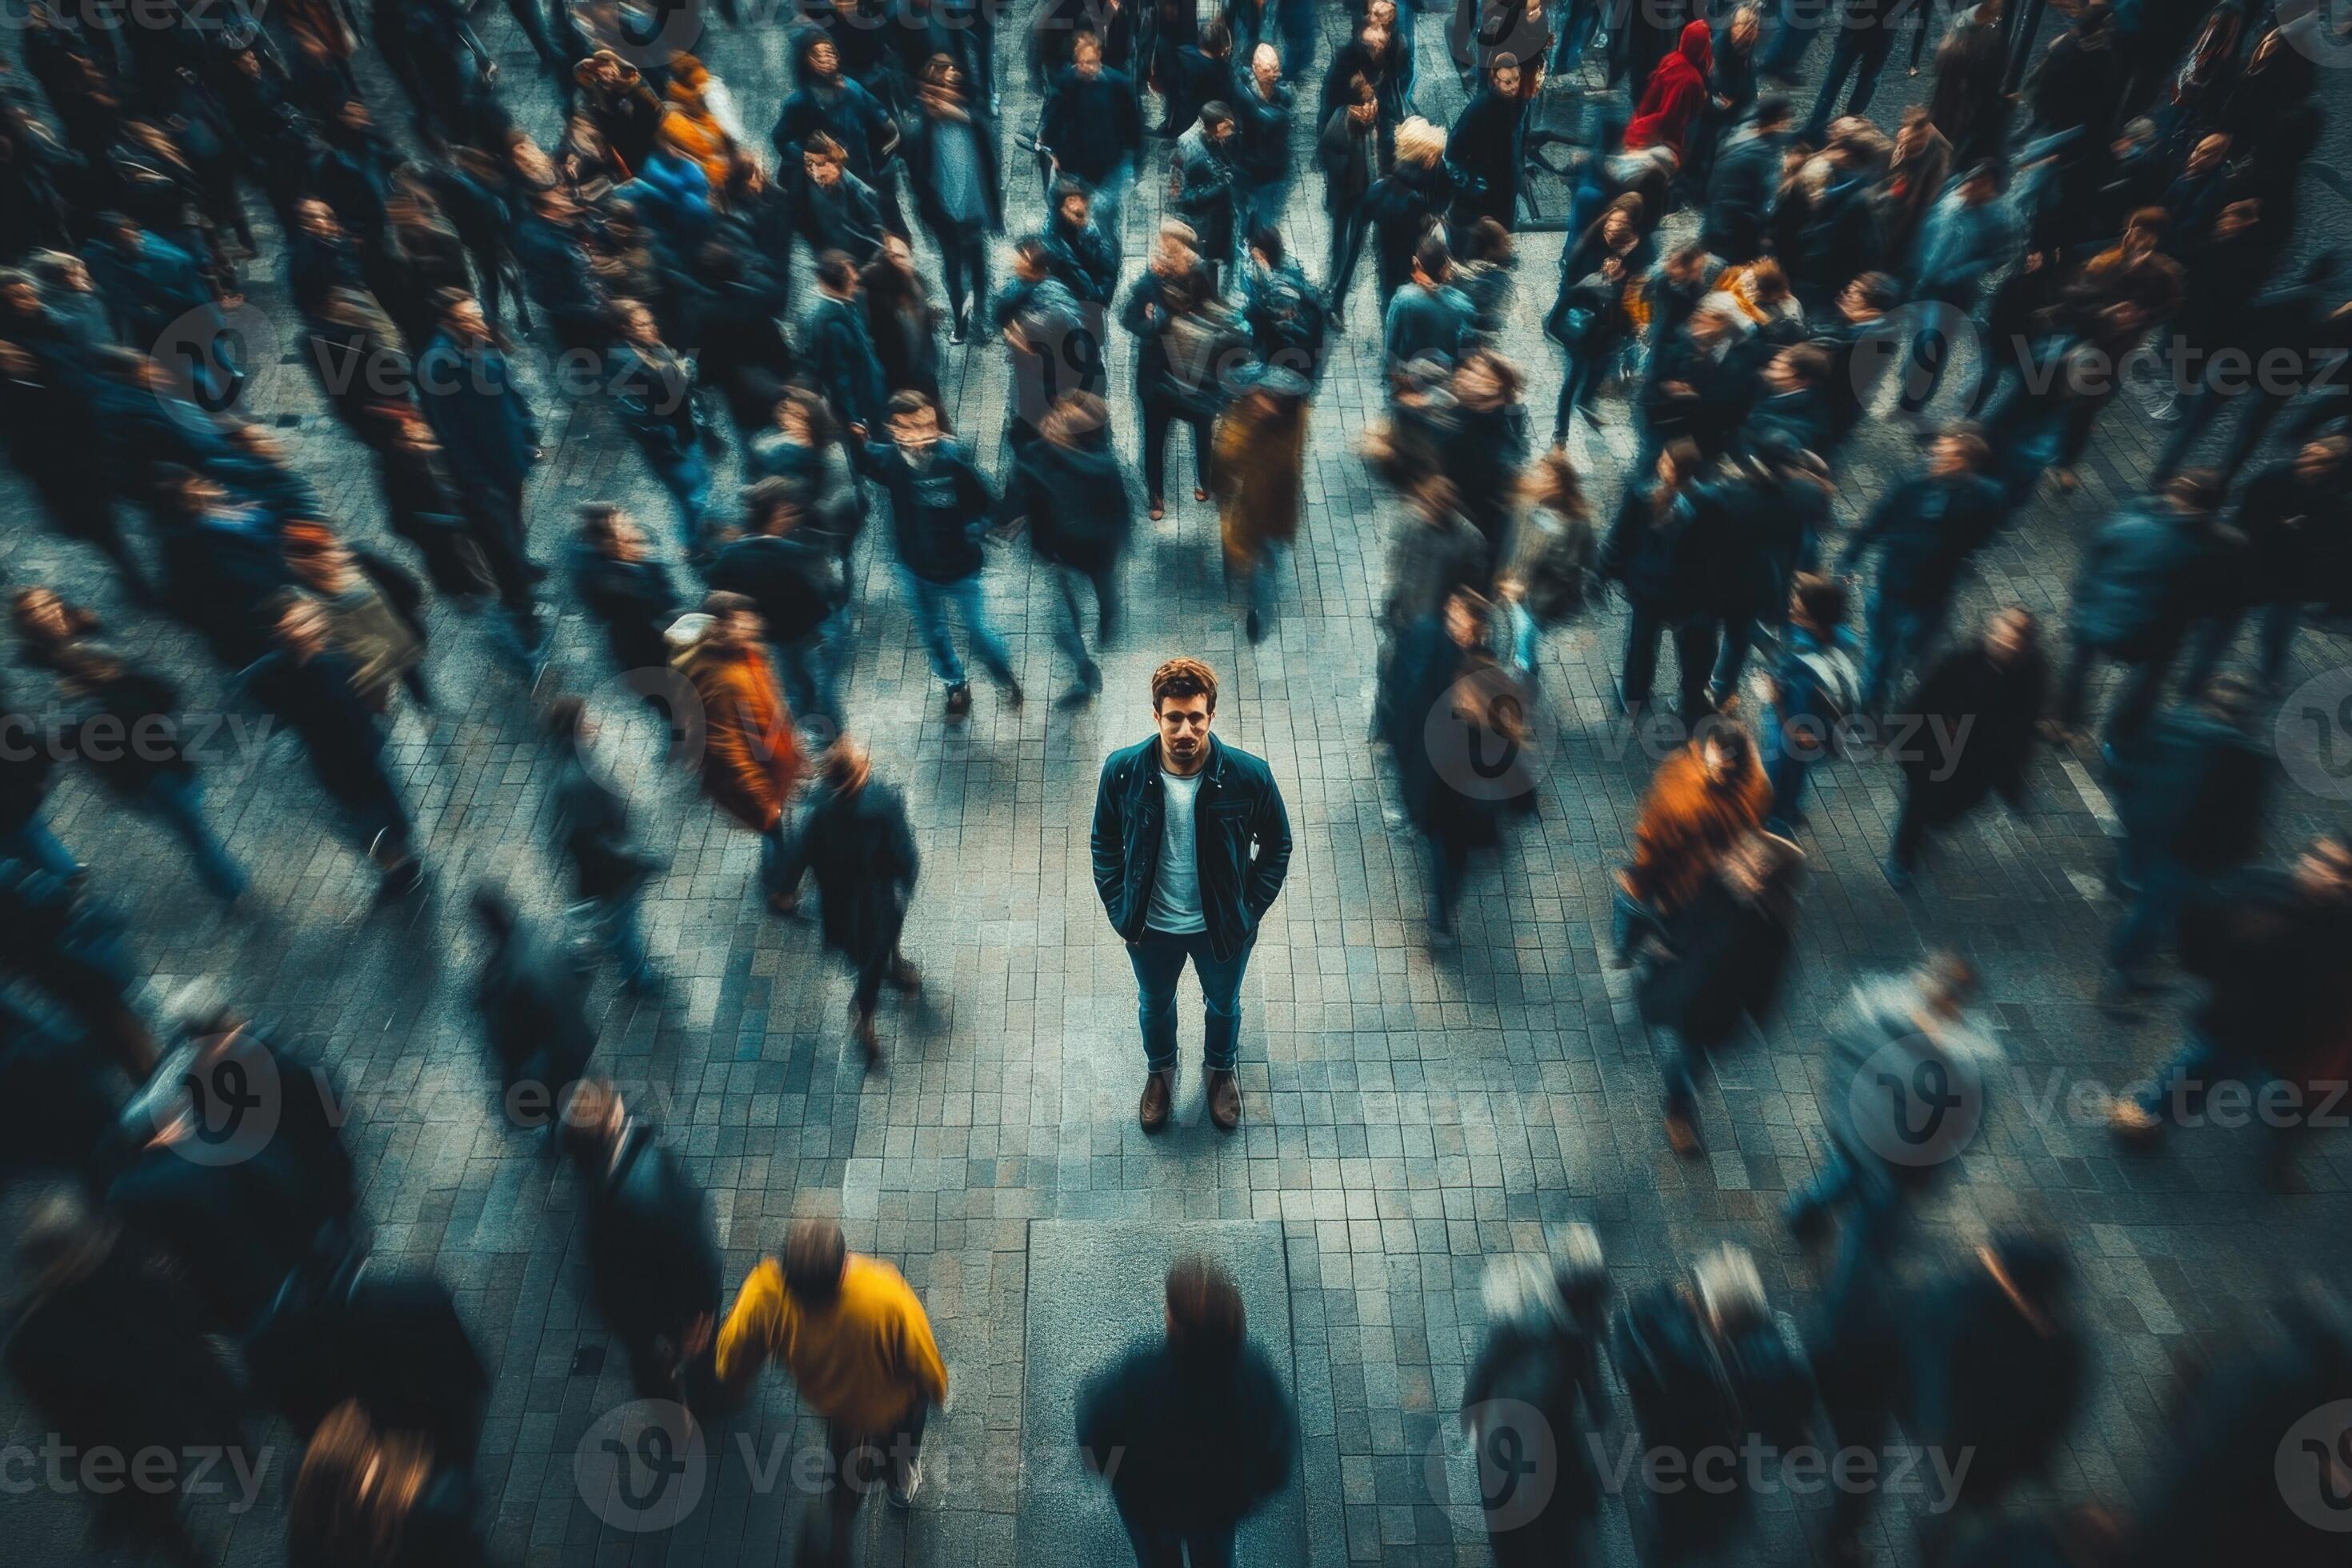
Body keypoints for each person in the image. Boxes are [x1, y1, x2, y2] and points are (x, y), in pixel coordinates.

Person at [1091, 658, 1293, 1132]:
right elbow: (1104, 840)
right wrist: (1121, 907)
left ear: (1211, 716)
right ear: (1156, 716)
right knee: (1154, 1004)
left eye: (1196, 718)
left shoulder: (1248, 775)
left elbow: (1277, 845)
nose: (1186, 731)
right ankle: (1160, 1074)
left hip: (1220, 930)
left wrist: (1247, 911)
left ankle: (1220, 1071)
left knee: (1223, 1005)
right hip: (1151, 929)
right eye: (1174, 718)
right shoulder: (1123, 772)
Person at [11, 589, 249, 904]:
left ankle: (225, 882)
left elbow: (153, 686)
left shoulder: (91, 631)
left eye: (46, 604)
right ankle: (229, 886)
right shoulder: (35, 669)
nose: (44, 613)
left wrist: (113, 680)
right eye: (33, 612)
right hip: (126, 764)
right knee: (190, 823)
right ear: (25, 624)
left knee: (189, 815)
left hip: (156, 743)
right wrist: (90, 704)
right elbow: (55, 735)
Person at [1785, 953, 1995, 1299]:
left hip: (1860, 1141)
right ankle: (1839, 1307)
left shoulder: (1878, 1009)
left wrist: (1847, 1120)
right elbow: (1963, 1127)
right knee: (1863, 1234)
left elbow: (1841, 1059)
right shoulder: (1961, 1059)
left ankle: (1801, 1217)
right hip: (1893, 1163)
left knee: (1837, 1181)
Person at [714, 1218, 949, 1527]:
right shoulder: (883, 1294)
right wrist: (937, 1387)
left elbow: (729, 1357)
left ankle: (843, 1511)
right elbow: (922, 1356)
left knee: (845, 1456)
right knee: (902, 1444)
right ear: (842, 1273)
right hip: (889, 1405)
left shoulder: (765, 1292)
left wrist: (734, 1379)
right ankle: (900, 1486)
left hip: (835, 1405)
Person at [1075, 1255, 1297, 1567]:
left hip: (1150, 1508)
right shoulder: (1251, 1375)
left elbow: (1095, 1435)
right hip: (1216, 1510)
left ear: (1175, 1322)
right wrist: (1248, 1497)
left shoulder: (1141, 1376)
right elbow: (1277, 1454)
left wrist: (1116, 1478)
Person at [1614, 1246, 1815, 1564]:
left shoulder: (1657, 1319)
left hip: (1683, 1460)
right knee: (1684, 1524)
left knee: (1675, 1523)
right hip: (1695, 1461)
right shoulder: (1692, 1361)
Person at [2100, 675, 2270, 1013]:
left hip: (2147, 838)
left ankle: (2130, 969)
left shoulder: (2172, 725)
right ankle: (2120, 977)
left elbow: (2128, 767)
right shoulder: (2242, 755)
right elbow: (2245, 816)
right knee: (2152, 914)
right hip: (2190, 853)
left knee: (2153, 909)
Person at [241, 595, 424, 899]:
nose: (313, 626)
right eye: (300, 623)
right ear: (280, 633)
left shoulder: (337, 657)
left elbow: (373, 696)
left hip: (365, 749)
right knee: (363, 818)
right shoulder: (272, 675)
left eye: (312, 617)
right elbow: (266, 705)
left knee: (379, 809)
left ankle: (399, 856)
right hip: (334, 760)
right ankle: (396, 860)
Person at [1638, 826, 1802, 1156]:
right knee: (1672, 1032)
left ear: (1771, 881)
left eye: (1757, 869)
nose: (1744, 871)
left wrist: (1756, 1014)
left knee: (1689, 1059)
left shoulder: (1772, 929)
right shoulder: (1716, 882)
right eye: (1746, 861)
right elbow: (1687, 914)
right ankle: (1677, 1108)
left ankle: (1677, 1111)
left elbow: (1765, 979)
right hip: (1683, 977)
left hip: (1714, 1008)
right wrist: (1667, 941)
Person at [861, 388, 1024, 718]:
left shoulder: (953, 458)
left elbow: (982, 503)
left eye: (929, 424)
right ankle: (955, 684)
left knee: (980, 632)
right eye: (912, 427)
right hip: (915, 568)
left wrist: (980, 528)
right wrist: (855, 439)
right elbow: (865, 461)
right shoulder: (889, 460)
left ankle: (1002, 675)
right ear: (894, 430)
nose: (924, 433)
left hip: (960, 568)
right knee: (933, 634)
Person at [562, 1080, 721, 1402]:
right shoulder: (645, 1182)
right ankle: (695, 1398)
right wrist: (705, 1304)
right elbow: (690, 1246)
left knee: (653, 1364)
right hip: (669, 1303)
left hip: (639, 1309)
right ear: (611, 1123)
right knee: (686, 1358)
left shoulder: (593, 1174)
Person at [1461, 1230, 1612, 1567]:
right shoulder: (1566, 1335)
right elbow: (1584, 1371)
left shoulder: (1506, 1340)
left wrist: (1472, 1420)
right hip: (1546, 1434)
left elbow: (1480, 1383)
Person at [2053, 469, 2237, 746]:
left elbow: (2096, 560)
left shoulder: (2132, 518)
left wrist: (2081, 602)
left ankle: (2066, 721)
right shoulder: (2210, 548)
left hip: (2099, 615)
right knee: (2147, 682)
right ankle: (2121, 735)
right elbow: (2205, 599)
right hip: (2152, 631)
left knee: (2080, 666)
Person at [1837, 427, 2007, 713]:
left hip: (1932, 593)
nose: (1938, 457)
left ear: (1967, 464)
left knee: (1913, 652)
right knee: (1879, 652)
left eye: (1948, 455)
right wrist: (1849, 558)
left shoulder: (1986, 497)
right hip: (1892, 584)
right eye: (1939, 450)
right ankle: (1871, 702)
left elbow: (1982, 536)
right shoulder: (1912, 484)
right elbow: (1878, 519)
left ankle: (1897, 692)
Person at [787, 739, 923, 1066]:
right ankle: (865, 1015)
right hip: (873, 896)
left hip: (838, 900)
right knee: (873, 958)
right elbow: (902, 849)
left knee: (869, 951)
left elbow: (801, 854)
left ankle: (890, 970)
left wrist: (788, 889)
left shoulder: (818, 811)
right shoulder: (882, 803)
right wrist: (907, 877)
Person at [1886, 606, 2043, 888]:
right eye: (1999, 638)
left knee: (1948, 810)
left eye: (2011, 643)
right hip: (1937, 755)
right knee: (1918, 807)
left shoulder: (2030, 678)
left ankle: (1928, 826)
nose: (2002, 646)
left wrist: (2012, 781)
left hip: (1979, 764)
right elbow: (1922, 703)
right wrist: (1908, 746)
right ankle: (1902, 856)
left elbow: (2021, 731)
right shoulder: (1961, 664)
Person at [669, 591, 806, 914]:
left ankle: (780, 875)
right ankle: (778, 889)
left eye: (750, 619)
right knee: (775, 834)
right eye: (742, 622)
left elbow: (764, 707)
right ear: (719, 628)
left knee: (780, 831)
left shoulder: (743, 654)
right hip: (762, 783)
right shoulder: (721, 679)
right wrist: (763, 803)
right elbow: (727, 750)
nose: (753, 625)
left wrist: (792, 753)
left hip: (774, 764)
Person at [1001, 390, 1131, 706]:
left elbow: (1119, 510)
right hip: (1059, 554)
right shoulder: (1034, 456)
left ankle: (1107, 624)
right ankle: (1086, 672)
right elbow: (1015, 500)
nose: (1050, 422)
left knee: (1104, 594)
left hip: (1093, 550)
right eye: (1056, 414)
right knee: (1063, 625)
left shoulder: (1100, 467)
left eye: (1061, 421)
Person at [1614, 727, 1772, 966]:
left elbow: (1654, 842)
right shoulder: (1753, 787)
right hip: (1705, 883)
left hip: (1684, 885)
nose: (1716, 774)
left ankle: (1632, 952)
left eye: (1723, 769)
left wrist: (1640, 881)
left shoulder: (1682, 788)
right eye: (1712, 766)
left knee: (1636, 909)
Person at [543, 698, 664, 992]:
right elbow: (595, 837)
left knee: (617, 918)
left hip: (598, 865)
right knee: (624, 922)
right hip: (609, 869)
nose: (591, 722)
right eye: (585, 718)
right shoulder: (578, 776)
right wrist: (634, 857)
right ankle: (636, 975)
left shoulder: (568, 760)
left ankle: (615, 953)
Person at [469, 886, 598, 1114]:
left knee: (559, 1102)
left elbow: (509, 1039)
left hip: (550, 1058)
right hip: (573, 1039)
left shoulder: (505, 977)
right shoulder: (534, 939)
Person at [902, 54, 1002, 342]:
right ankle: (960, 322)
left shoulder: (972, 122)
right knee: (953, 274)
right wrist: (928, 221)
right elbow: (917, 183)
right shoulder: (919, 133)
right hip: (945, 218)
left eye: (953, 86)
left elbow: (990, 169)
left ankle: (980, 317)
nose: (949, 94)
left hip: (974, 211)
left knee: (980, 268)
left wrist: (995, 214)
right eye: (943, 87)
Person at [1756, 571, 1859, 834]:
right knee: (1795, 775)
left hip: (1787, 732)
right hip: (1814, 732)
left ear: (1815, 621)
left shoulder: (1801, 659)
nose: (1791, 612)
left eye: (1799, 612)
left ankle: (1774, 823)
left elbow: (1794, 725)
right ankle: (1788, 810)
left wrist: (1771, 694)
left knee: (1776, 777)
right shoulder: (1838, 638)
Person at [1212, 365, 1309, 643]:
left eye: (1269, 398)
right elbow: (1225, 461)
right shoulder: (1243, 421)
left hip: (1273, 506)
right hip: (1249, 506)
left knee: (1262, 562)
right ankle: (1245, 587)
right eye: (1260, 397)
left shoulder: (1291, 420)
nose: (1263, 404)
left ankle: (1257, 609)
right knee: (1249, 555)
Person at [569, 503, 681, 684]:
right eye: (622, 526)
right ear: (608, 543)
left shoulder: (637, 549)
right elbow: (654, 602)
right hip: (647, 652)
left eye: (627, 521)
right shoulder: (606, 581)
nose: (631, 528)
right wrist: (640, 562)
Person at [803, 249, 890, 442]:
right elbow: (840, 380)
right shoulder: (833, 326)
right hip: (864, 408)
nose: (857, 278)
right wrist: (855, 419)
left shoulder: (846, 305)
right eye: (851, 278)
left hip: (872, 395)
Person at [1318, 75, 1379, 328]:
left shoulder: (1367, 123)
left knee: (1351, 248)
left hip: (1362, 195)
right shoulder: (1341, 126)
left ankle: (1336, 292)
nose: (1373, 106)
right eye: (1369, 102)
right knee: (1342, 244)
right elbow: (1332, 160)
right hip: (1348, 196)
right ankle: (1334, 293)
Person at [1170, 102, 1239, 290]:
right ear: (1218, 126)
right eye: (1227, 127)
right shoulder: (1191, 152)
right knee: (1205, 267)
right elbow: (1182, 197)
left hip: (1220, 216)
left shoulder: (1215, 140)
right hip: (1204, 223)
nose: (1231, 132)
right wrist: (1221, 187)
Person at [1230, 43, 1294, 236]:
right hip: (1247, 166)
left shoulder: (1281, 95)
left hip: (1270, 171)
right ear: (1255, 68)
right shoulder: (1244, 95)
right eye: (1267, 70)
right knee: (1243, 217)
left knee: (1264, 221)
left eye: (1276, 69)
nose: (1273, 75)